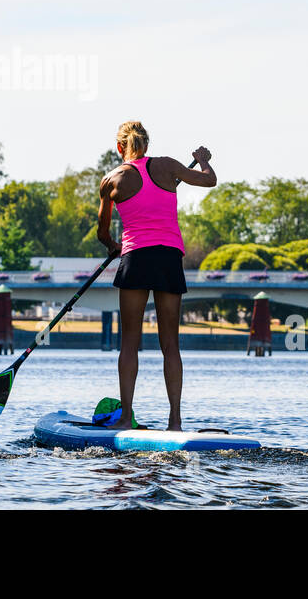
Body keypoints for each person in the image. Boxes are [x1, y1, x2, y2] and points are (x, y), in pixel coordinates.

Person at [95, 121, 216, 431]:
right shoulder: (168, 167)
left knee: (129, 343)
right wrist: (203, 159)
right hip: (168, 257)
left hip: (135, 258)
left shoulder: (111, 180)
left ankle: (125, 418)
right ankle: (174, 422)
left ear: (120, 148)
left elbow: (102, 233)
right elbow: (209, 180)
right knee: (170, 345)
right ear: (146, 146)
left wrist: (114, 246)